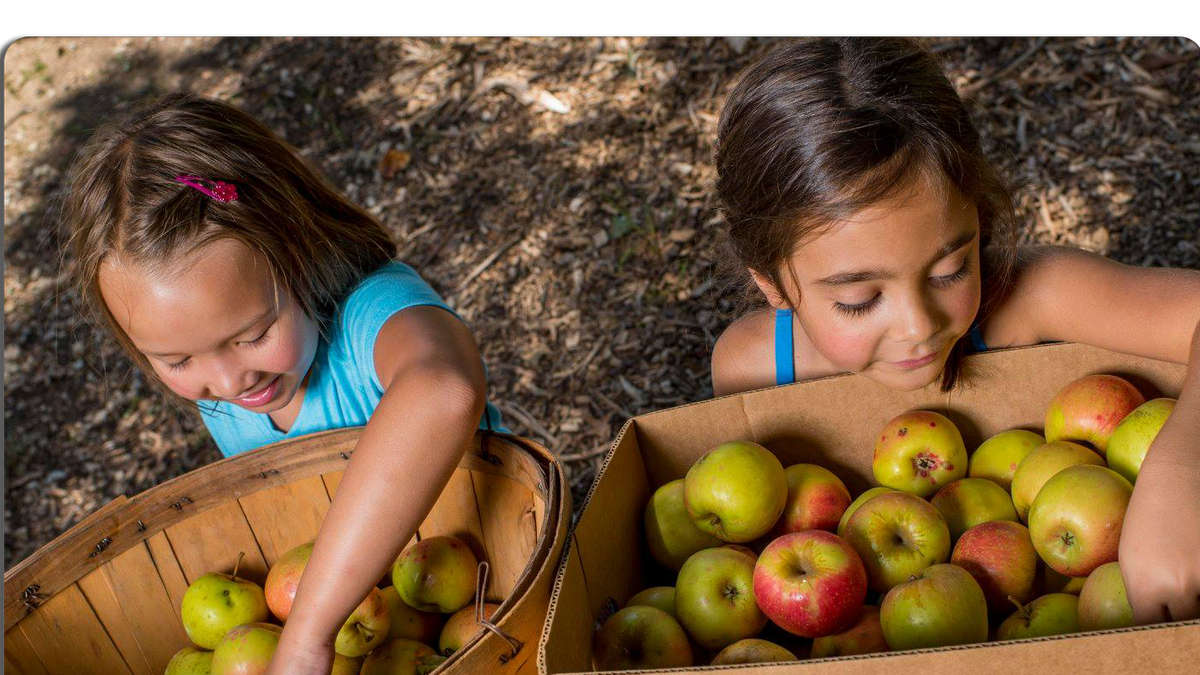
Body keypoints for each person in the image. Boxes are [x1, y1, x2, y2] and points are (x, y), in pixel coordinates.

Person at [709, 37, 1199, 624]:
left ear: (979, 220)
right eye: (860, 300)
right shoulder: (752, 370)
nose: (919, 326)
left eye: (950, 271)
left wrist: (1180, 471)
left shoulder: (1034, 297)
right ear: (773, 286)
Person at [64, 93, 504, 673]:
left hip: (489, 590)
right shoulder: (232, 393)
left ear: (298, 250)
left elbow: (444, 389)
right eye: (177, 361)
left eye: (254, 334)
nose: (229, 381)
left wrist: (306, 637)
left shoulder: (373, 317)